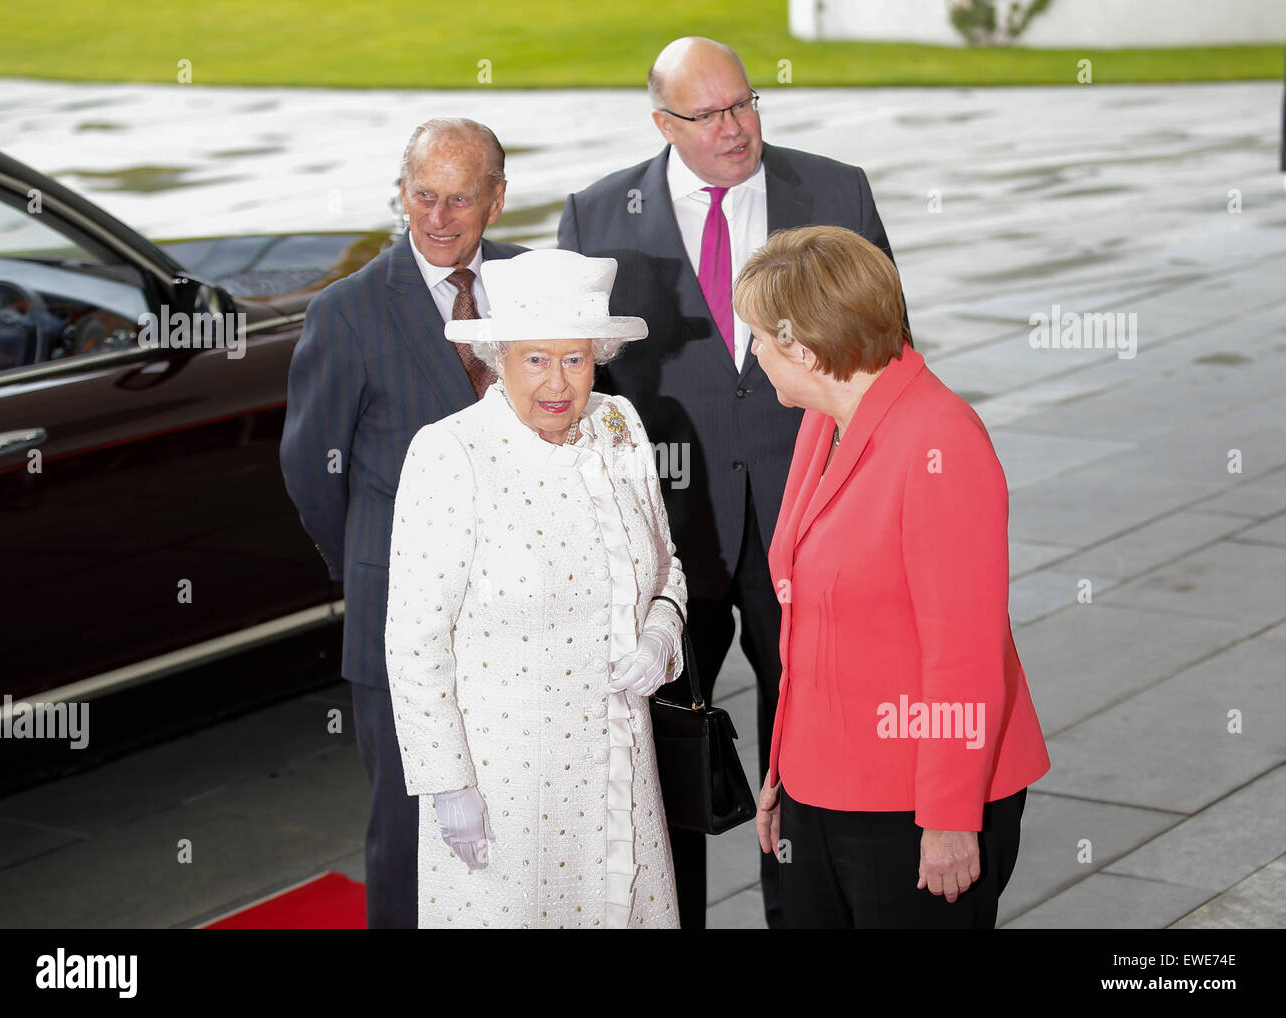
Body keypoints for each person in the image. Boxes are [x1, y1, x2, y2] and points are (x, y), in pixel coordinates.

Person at [556, 35, 903, 929]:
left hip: (811, 524)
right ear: (663, 122)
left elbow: (887, 358)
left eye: (745, 103)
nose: (736, 126)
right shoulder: (597, 218)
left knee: (817, 742)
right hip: (666, 540)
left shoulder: (835, 192)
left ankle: (808, 912)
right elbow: (577, 394)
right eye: (708, 114)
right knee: (662, 755)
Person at [737, 225, 1050, 928]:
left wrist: (948, 818)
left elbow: (964, 656)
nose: (752, 354)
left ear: (805, 350)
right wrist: (785, 772)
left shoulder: (941, 441)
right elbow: (810, 623)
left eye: (757, 337)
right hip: (825, 787)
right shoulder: (826, 422)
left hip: (915, 808)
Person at [385, 248, 685, 927]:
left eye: (575, 358)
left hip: (617, 767)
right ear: (499, 357)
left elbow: (668, 564)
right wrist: (448, 783)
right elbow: (414, 639)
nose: (558, 382)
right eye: (535, 359)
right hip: (504, 784)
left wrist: (662, 632)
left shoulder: (619, 427)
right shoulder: (450, 452)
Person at [279, 117, 525, 928]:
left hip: (530, 622)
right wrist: (373, 567)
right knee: (410, 828)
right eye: (424, 196)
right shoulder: (346, 312)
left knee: (521, 820)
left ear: (496, 198)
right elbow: (314, 470)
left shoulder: (536, 286)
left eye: (461, 198)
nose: (441, 218)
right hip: (400, 626)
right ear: (402, 194)